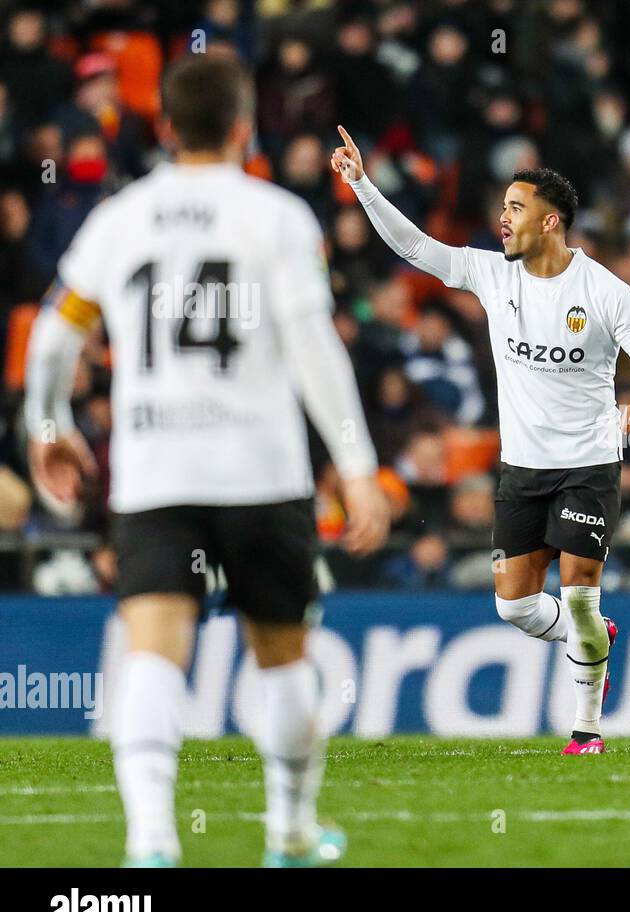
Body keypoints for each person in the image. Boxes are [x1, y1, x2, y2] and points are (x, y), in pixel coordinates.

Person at [23, 54, 389, 866]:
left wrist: (47, 424)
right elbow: (311, 344)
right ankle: (289, 831)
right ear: (243, 127)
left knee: (152, 646)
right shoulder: (278, 216)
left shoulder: (119, 218)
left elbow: (54, 331)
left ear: (161, 127)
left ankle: (152, 842)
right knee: (284, 652)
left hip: (157, 468)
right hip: (261, 467)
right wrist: (356, 463)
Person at [332, 125, 630, 755]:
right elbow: (414, 248)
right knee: (515, 608)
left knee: (576, 594)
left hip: (589, 463)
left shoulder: (605, 292)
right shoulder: (492, 275)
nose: (502, 220)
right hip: (522, 468)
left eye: (515, 209)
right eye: (502, 208)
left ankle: (587, 730)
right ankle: (596, 634)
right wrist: (362, 185)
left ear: (551, 222)